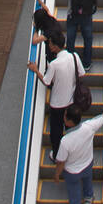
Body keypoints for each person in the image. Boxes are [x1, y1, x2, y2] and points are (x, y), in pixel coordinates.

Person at [27, 31, 85, 162]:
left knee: (56, 132)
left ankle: (57, 155)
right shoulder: (74, 56)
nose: (49, 46)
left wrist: (36, 70)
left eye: (50, 44)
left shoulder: (54, 64)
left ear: (54, 47)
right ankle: (72, 153)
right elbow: (81, 74)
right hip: (72, 101)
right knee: (72, 129)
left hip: (57, 104)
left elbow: (47, 81)